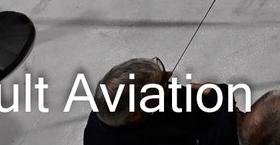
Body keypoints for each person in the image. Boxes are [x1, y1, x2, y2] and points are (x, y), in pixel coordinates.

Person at [84, 58, 216, 145]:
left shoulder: (107, 107)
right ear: (135, 115)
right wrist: (221, 96)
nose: (170, 74)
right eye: (163, 84)